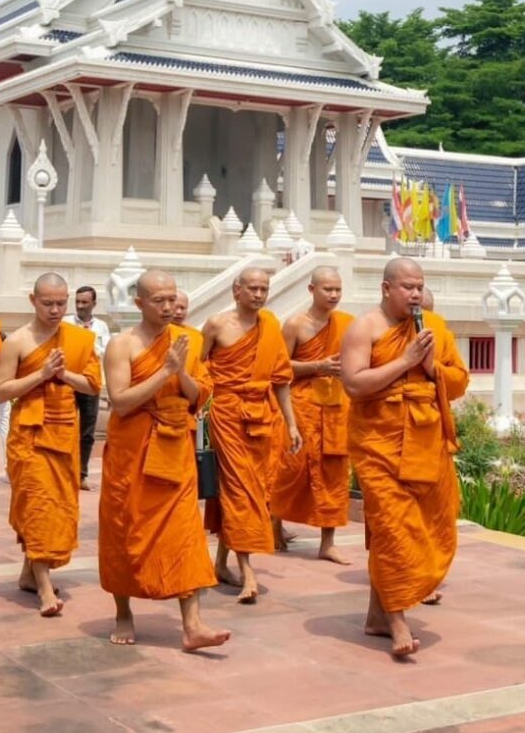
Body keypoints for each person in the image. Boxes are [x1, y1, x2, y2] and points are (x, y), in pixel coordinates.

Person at [339, 257, 469, 657]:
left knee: (431, 527)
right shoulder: (365, 327)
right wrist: (406, 361)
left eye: (419, 286)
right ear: (386, 288)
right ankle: (397, 622)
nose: (415, 294)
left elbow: (459, 382)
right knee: (394, 529)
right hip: (380, 443)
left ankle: (378, 615)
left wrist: (431, 367)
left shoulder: (434, 329)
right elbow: (354, 384)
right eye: (407, 287)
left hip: (427, 439)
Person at [100, 269, 227, 651]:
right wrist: (165, 372)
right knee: (125, 530)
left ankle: (193, 625)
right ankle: (123, 611)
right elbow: (120, 402)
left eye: (173, 299)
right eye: (160, 300)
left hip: (175, 449)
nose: (170, 307)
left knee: (185, 534)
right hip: (133, 451)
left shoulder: (188, 339)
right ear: (139, 303)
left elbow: (201, 394)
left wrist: (182, 374)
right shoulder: (121, 345)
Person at [0, 273, 101, 616]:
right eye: (48, 303)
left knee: (57, 507)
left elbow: (93, 385)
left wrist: (63, 375)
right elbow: (1, 391)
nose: (55, 310)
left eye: (61, 303)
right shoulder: (18, 341)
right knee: (38, 506)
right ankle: (43, 588)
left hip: (64, 432)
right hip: (29, 436)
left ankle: (30, 573)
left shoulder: (80, 339)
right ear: (32, 301)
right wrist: (40, 376)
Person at [199, 267, 300, 603]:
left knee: (251, 490)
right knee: (241, 491)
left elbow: (281, 379)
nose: (258, 294)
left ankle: (220, 564)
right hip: (227, 416)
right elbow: (196, 371)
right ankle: (249, 574)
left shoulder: (270, 325)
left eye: (264, 288)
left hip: (262, 417)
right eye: (252, 288)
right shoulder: (216, 325)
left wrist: (292, 423)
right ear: (236, 291)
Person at [271, 266, 353, 564]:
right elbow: (279, 368)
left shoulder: (347, 324)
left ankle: (327, 542)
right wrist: (317, 366)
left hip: (334, 407)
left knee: (333, 473)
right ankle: (275, 522)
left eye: (337, 289)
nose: (333, 295)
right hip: (301, 407)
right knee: (290, 469)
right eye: (327, 289)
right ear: (311, 290)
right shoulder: (295, 325)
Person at [63, 285, 111, 492]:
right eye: (78, 302)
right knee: (64, 426)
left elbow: (106, 353)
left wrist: (87, 341)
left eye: (85, 302)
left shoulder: (101, 327)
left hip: (90, 381)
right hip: (67, 380)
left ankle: (81, 473)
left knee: (87, 431)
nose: (81, 306)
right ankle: (64, 471)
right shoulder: (65, 323)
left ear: (94, 304)